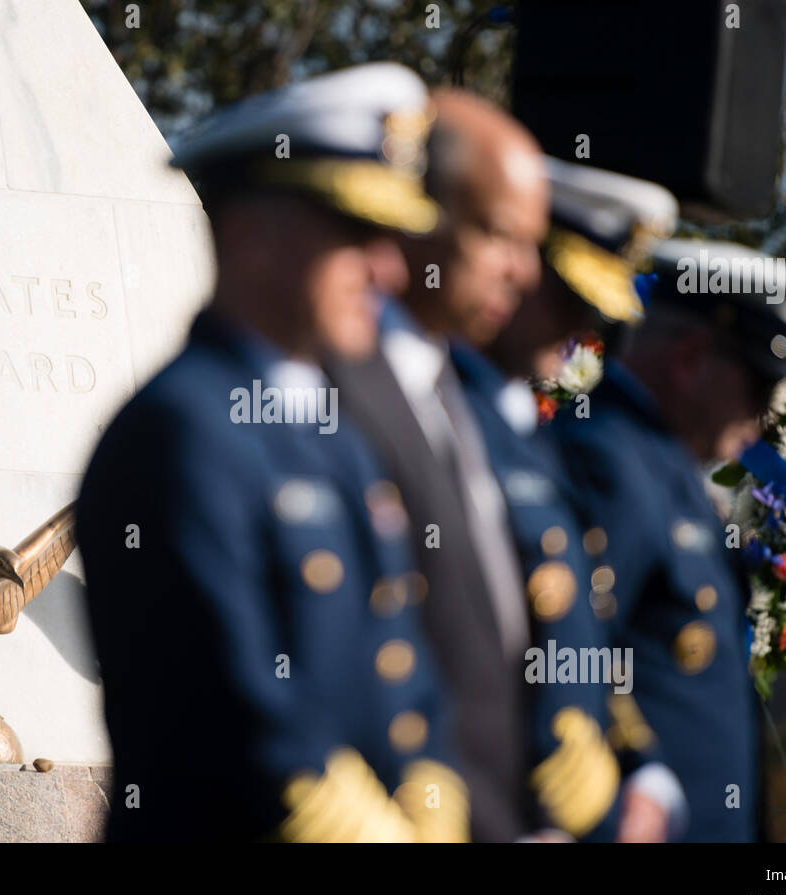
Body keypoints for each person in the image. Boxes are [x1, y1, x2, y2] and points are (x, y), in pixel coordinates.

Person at [75, 63, 468, 842]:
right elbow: (229, 707)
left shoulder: (332, 434)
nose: (388, 267)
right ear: (252, 235)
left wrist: (430, 796)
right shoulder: (178, 433)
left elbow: (401, 670)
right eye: (357, 233)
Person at [552, 237, 786, 841]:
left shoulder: (662, 468)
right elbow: (566, 654)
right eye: (763, 388)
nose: (770, 417)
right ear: (690, 359)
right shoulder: (610, 465)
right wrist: (631, 786)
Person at [324, 89, 549, 841]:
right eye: (499, 235)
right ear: (420, 213)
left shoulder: (462, 392)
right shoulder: (337, 393)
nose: (524, 273)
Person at [454, 160, 687, 841]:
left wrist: (636, 765)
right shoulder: (452, 417)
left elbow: (583, 632)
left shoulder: (523, 432)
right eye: (568, 298)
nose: (581, 325)